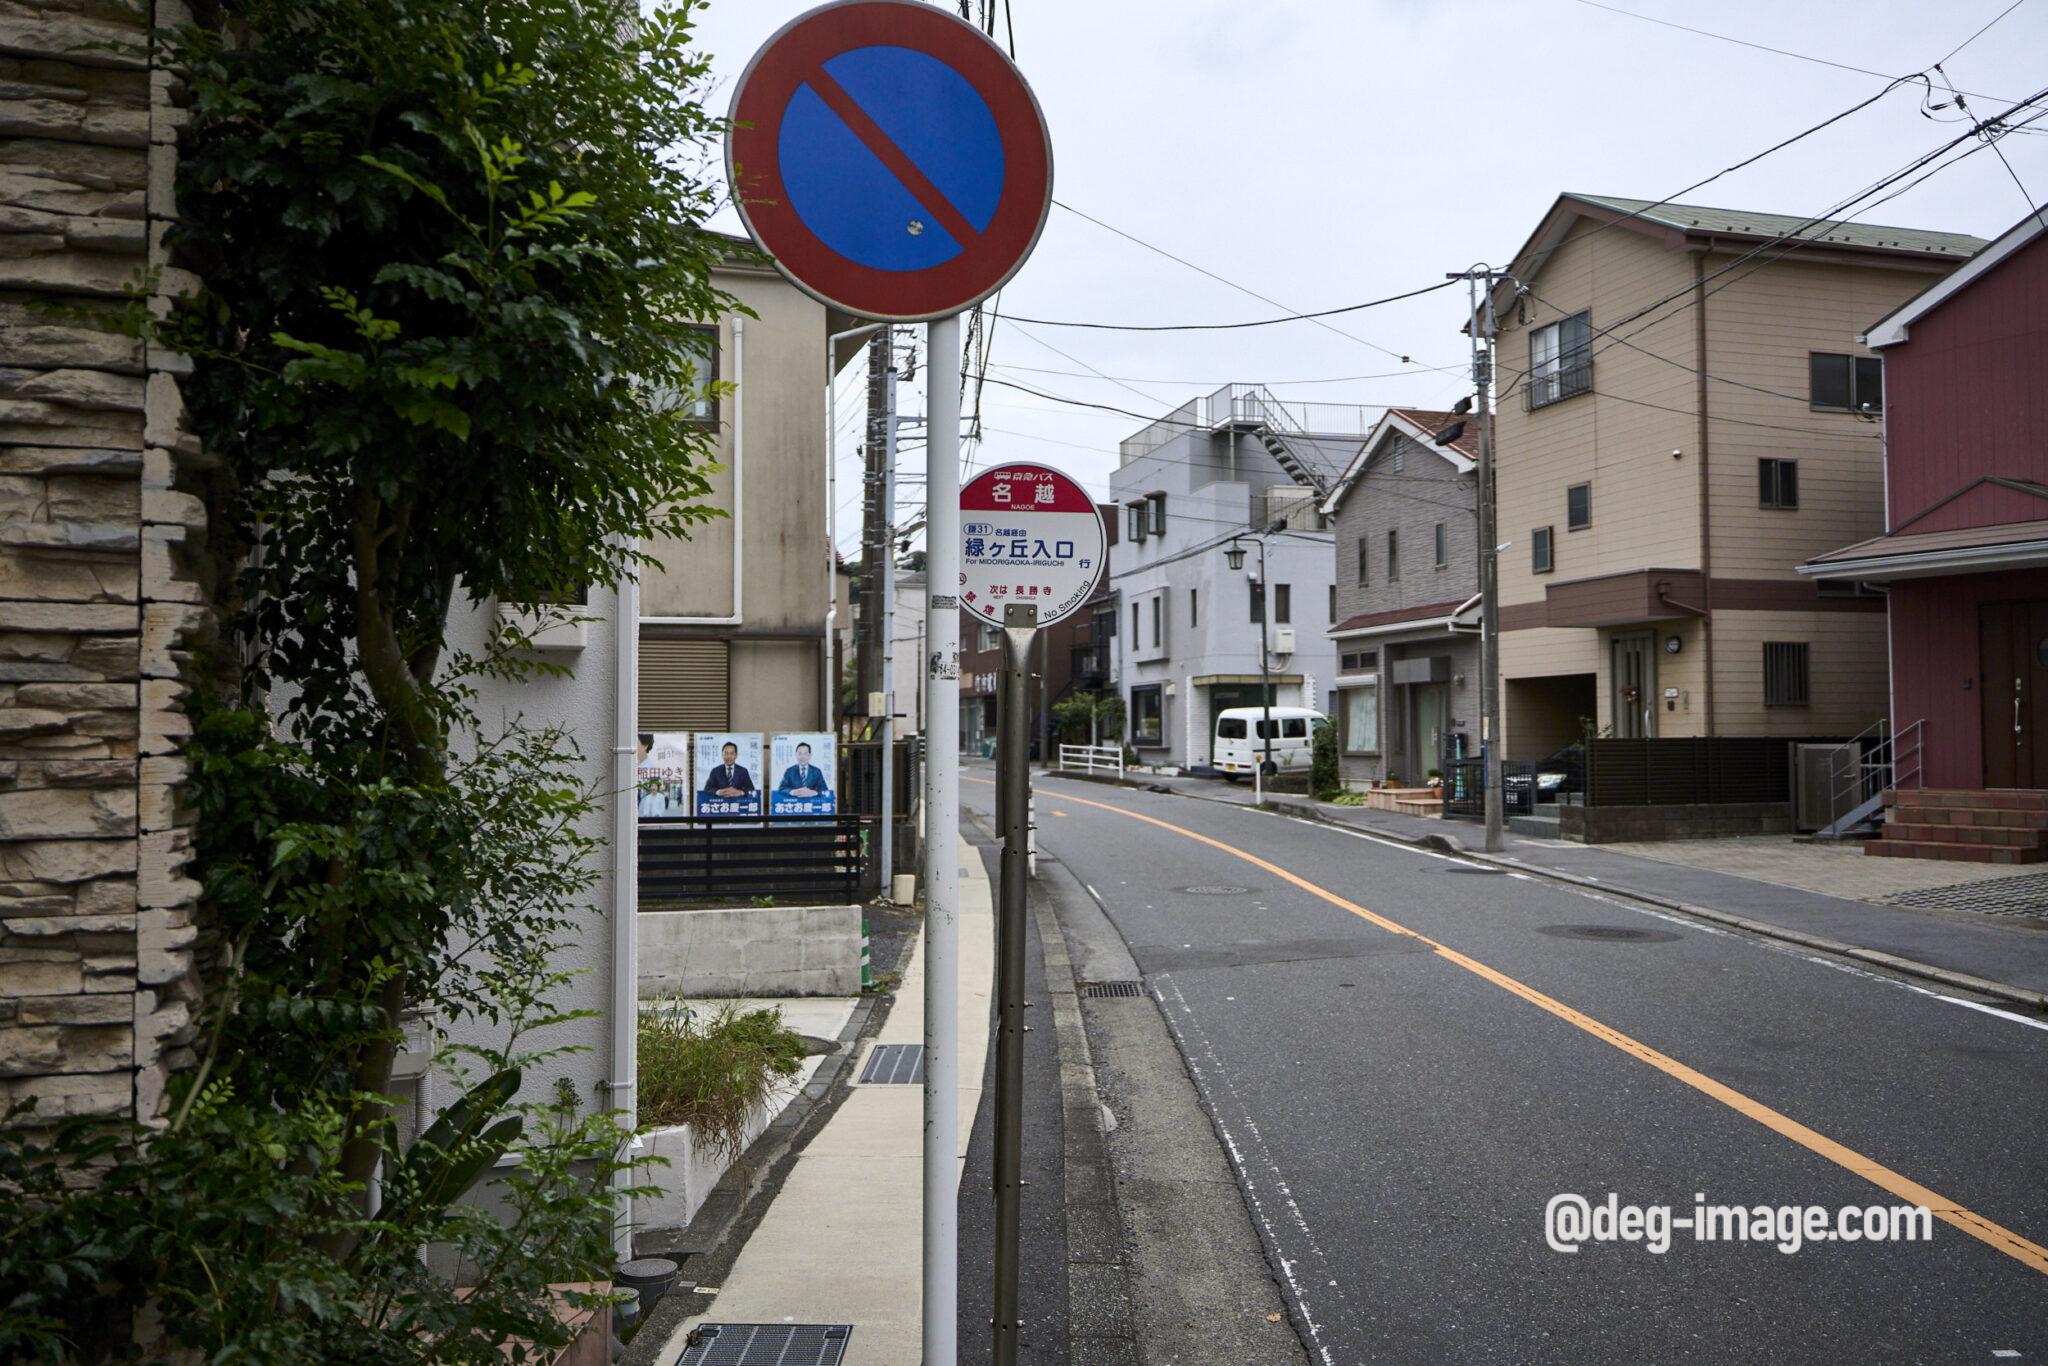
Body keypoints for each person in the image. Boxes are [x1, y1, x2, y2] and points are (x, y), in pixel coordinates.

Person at [636, 733, 668, 818]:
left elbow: (662, 808)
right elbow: (644, 809)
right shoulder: (647, 797)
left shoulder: (652, 766)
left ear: (645, 745)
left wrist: (658, 816)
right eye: (652, 785)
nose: (653, 787)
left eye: (635, 742)